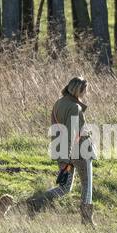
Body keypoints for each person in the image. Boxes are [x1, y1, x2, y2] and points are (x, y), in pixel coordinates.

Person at [45, 77, 94, 225]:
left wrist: (63, 154)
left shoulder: (58, 103)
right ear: (78, 90)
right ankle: (86, 220)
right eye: (85, 89)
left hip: (61, 149)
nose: (86, 92)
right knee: (87, 186)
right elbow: (73, 133)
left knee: (65, 188)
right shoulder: (75, 107)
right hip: (79, 152)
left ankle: (37, 201)